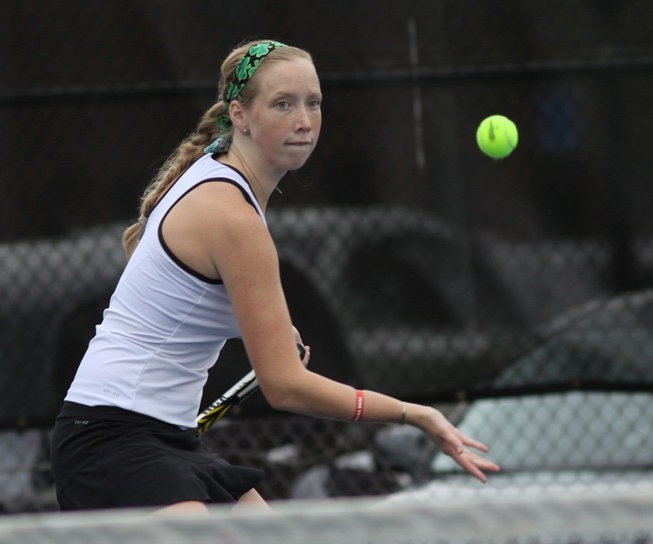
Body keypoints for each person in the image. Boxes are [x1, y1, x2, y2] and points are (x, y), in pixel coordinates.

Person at [50, 39, 499, 515]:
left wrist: (267, 331)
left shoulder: (218, 178)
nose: (304, 121)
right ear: (239, 115)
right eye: (282, 104)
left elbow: (176, 296)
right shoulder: (234, 216)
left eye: (313, 103)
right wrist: (413, 413)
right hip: (111, 442)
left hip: (163, 437)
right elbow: (284, 386)